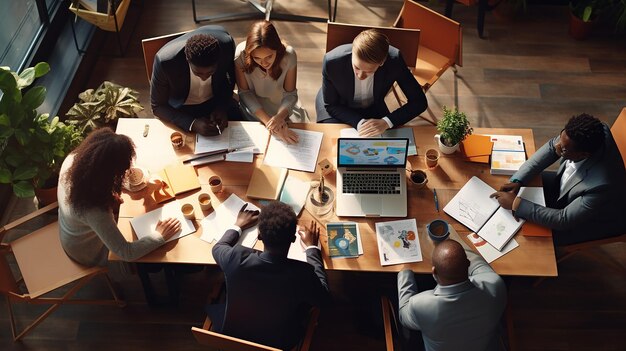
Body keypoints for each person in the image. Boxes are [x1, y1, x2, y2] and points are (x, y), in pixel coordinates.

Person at [490, 113, 626, 246]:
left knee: (528, 241)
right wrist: (518, 181)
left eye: (564, 149)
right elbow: (551, 147)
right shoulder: (586, 133)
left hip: (589, 222)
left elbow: (563, 220)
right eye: (561, 137)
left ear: (583, 154)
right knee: (527, 188)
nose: (557, 146)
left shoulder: (602, 185)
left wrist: (516, 204)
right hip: (567, 188)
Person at [210, 201, 329, 350]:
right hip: (280, 342)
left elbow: (218, 248)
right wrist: (312, 248)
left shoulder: (236, 258)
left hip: (233, 335)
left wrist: (238, 225)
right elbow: (324, 297)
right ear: (293, 239)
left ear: (259, 235)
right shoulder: (302, 274)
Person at [58, 128, 181, 267]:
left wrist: (127, 188)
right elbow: (126, 252)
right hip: (87, 250)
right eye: (120, 173)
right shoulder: (95, 211)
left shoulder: (73, 161)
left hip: (72, 230)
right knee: (153, 261)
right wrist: (159, 236)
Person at [397, 238, 506, 351]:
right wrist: (448, 241)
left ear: (434, 272)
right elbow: (479, 265)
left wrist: (405, 272)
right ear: (467, 263)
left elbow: (403, 315)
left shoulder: (420, 305)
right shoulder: (495, 286)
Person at [315, 29, 428, 137]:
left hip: (373, 106)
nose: (360, 76)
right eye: (356, 67)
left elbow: (419, 102)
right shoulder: (332, 61)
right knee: (333, 146)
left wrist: (387, 122)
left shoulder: (394, 60)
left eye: (369, 71)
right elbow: (331, 105)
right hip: (337, 106)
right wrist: (359, 123)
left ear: (382, 62)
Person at [150, 25, 242, 136]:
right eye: (198, 73)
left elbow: (230, 80)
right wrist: (191, 123)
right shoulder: (165, 62)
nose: (204, 78)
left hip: (216, 101)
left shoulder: (226, 47)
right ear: (187, 60)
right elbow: (157, 106)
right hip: (182, 110)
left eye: (210, 72)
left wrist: (221, 107)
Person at [235, 20, 306, 144]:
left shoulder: (289, 56)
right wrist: (271, 123)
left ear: (277, 50)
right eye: (257, 58)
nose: (264, 63)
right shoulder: (240, 54)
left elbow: (290, 94)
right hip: (254, 110)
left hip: (281, 109)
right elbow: (244, 93)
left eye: (269, 56)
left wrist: (278, 118)